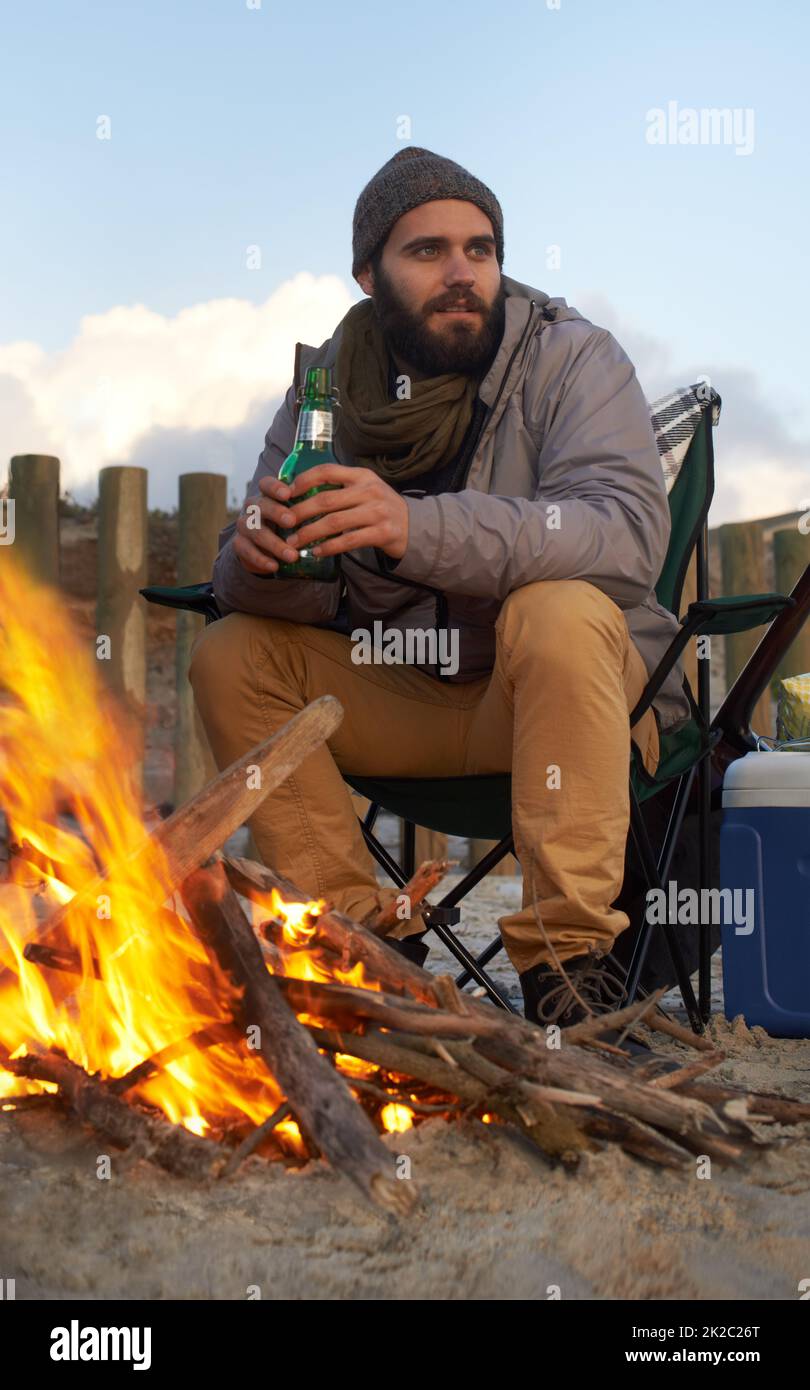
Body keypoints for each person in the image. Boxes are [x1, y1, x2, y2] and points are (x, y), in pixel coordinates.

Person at [189, 146, 690, 1036]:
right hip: (404, 692)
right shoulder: (324, 391)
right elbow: (262, 590)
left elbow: (624, 540)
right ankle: (359, 949)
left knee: (563, 605)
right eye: (428, 252)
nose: (462, 274)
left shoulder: (572, 360)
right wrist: (258, 560)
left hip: (554, 699)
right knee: (229, 652)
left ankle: (569, 969)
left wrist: (416, 530)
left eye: (481, 249)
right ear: (368, 272)